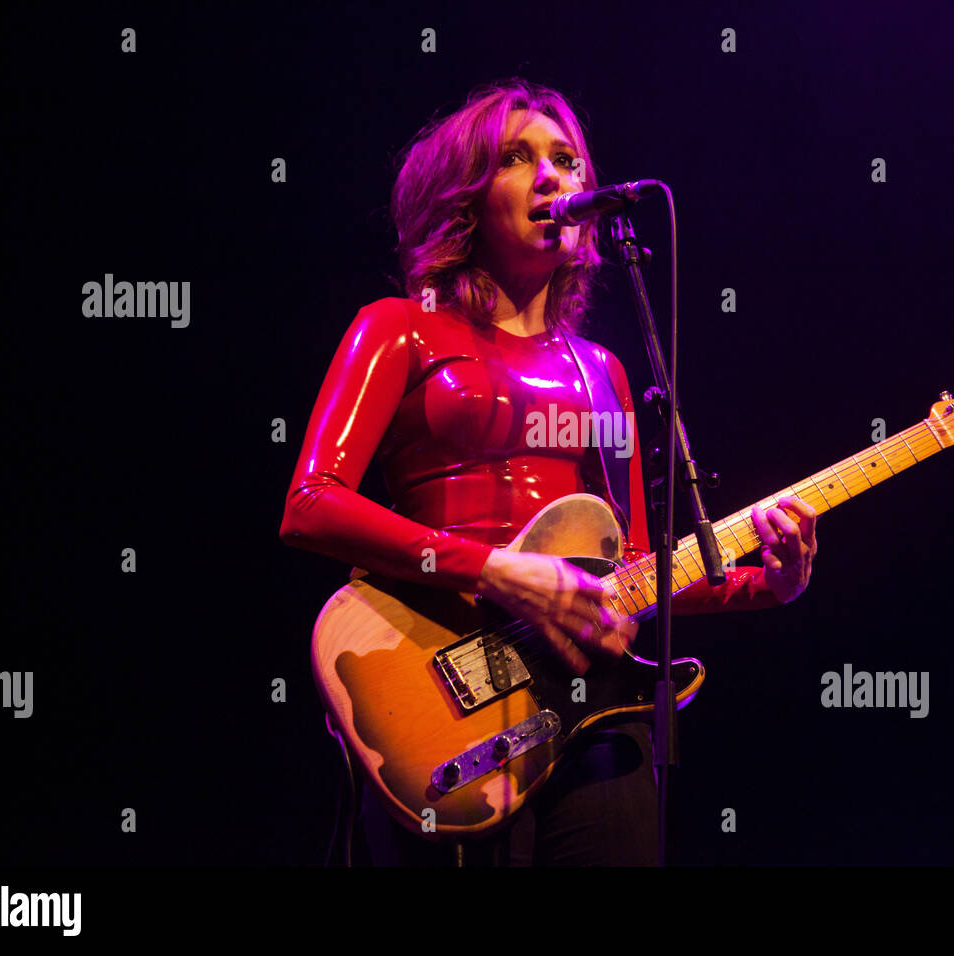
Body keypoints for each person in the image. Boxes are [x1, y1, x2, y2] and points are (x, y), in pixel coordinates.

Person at [279, 78, 818, 866]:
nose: (552, 178)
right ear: (463, 197)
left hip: (591, 707)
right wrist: (502, 571)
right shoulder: (398, 327)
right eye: (515, 158)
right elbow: (310, 505)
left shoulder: (602, 371)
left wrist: (767, 583)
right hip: (442, 694)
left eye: (567, 160)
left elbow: (631, 571)